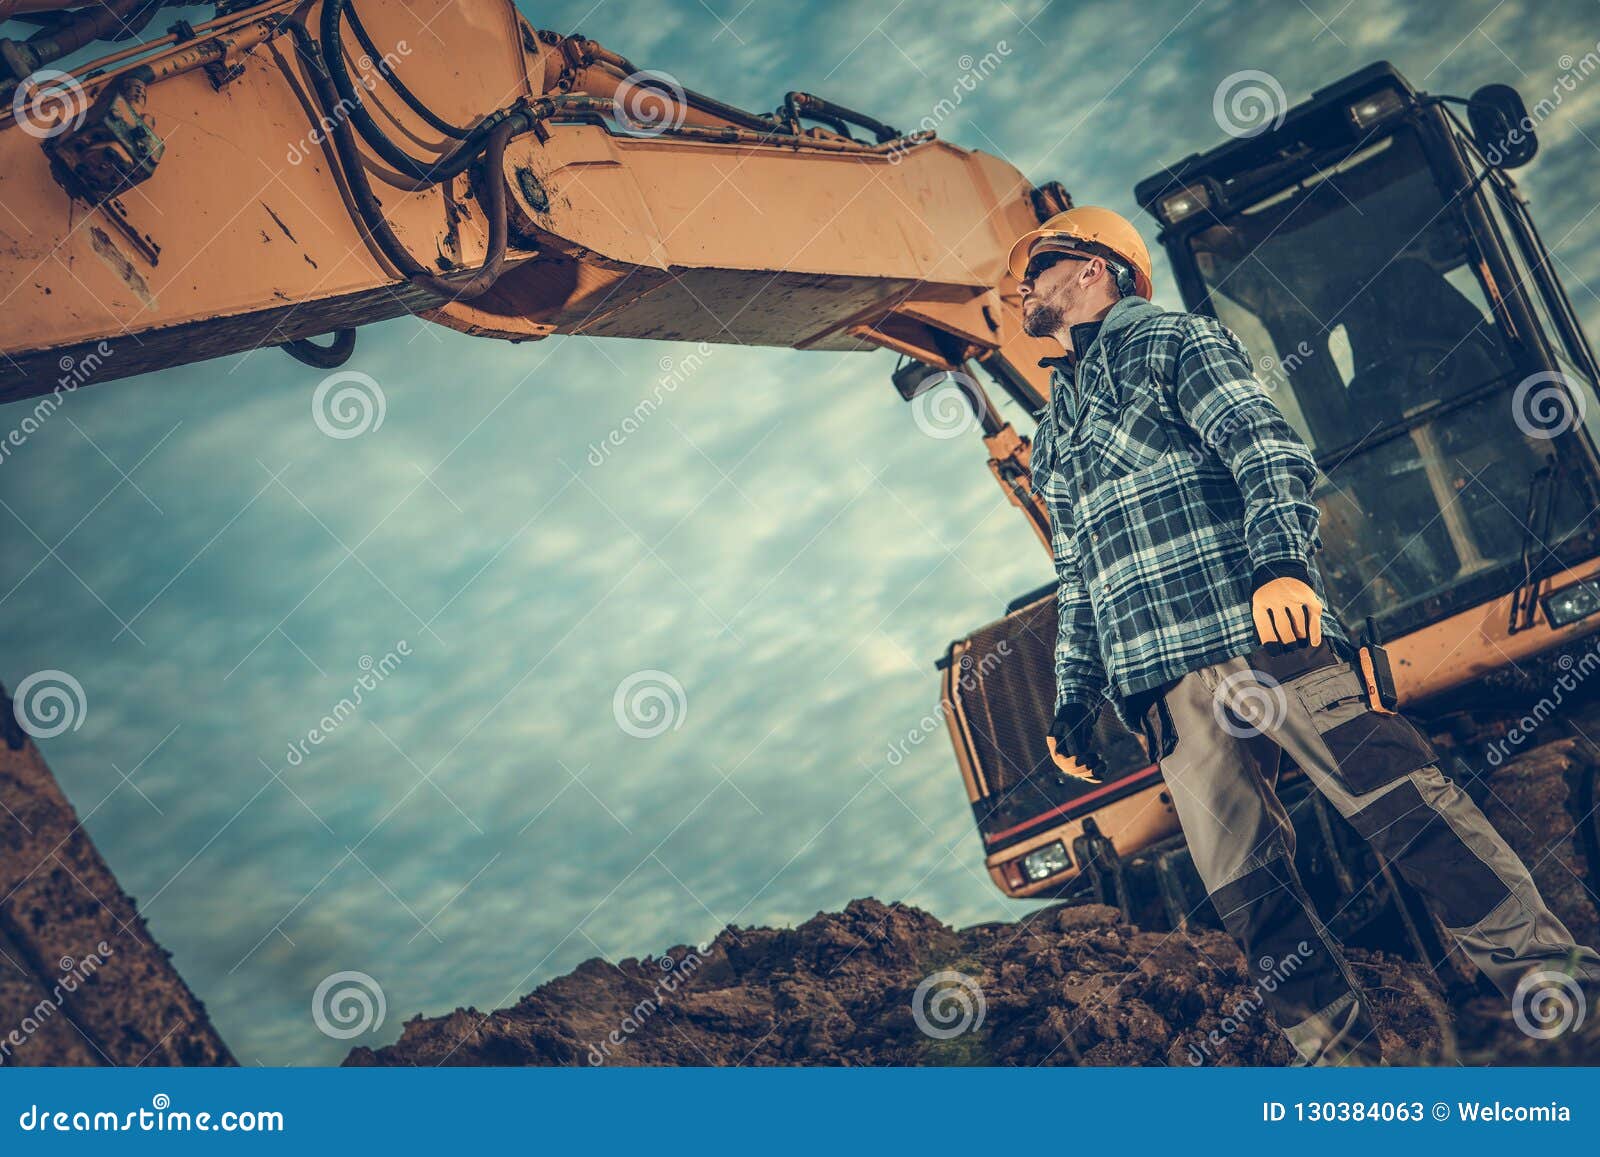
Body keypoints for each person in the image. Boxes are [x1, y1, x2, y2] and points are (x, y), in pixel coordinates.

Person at [1012, 205, 1600, 1066]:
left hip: (1255, 630)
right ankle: (1344, 1068)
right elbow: (1078, 573)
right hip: (1161, 684)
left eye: (1038, 266)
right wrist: (1074, 695)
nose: (1023, 284)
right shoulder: (1053, 431)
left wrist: (1283, 564)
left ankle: (1563, 991)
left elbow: (1267, 448)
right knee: (1250, 895)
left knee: (1402, 804)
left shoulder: (1174, 342)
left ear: (1094, 268)